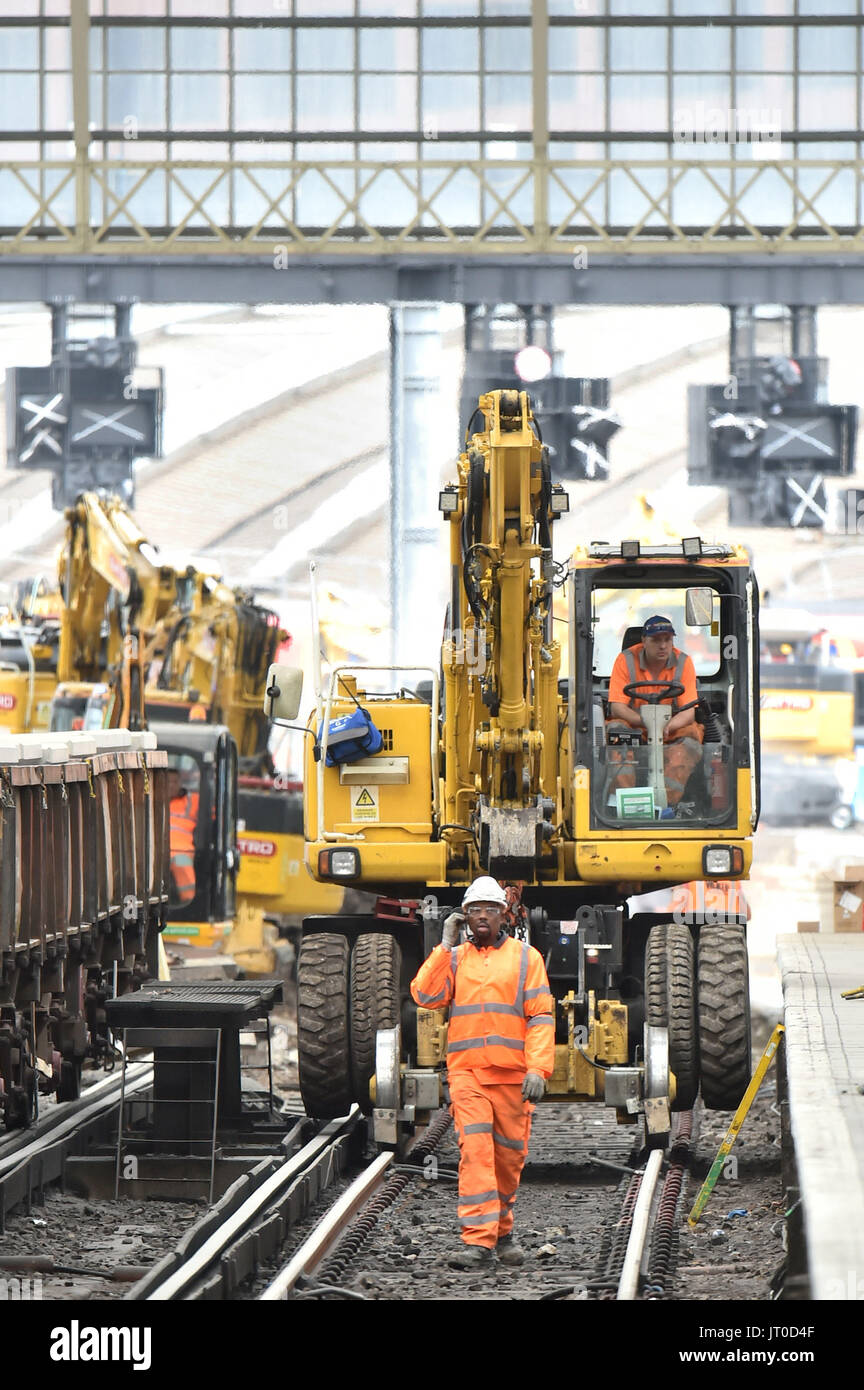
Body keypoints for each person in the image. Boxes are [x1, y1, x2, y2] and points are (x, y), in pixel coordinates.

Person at [410, 876, 554, 1271]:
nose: (481, 917)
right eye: (474, 910)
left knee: (508, 1159)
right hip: (468, 1075)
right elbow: (424, 995)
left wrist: (539, 1068)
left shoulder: (527, 959)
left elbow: (540, 1016)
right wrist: (443, 945)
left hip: (512, 1078)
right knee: (476, 1155)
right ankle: (476, 1242)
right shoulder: (455, 959)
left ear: (504, 914)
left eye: (489, 909)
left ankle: (502, 1233)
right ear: (464, 916)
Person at [607, 614, 704, 809]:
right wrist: (647, 724)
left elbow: (688, 712)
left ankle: (666, 806)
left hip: (669, 729)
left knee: (691, 737)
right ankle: (627, 806)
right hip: (635, 726)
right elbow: (617, 706)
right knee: (615, 734)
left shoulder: (684, 662)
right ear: (644, 641)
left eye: (667, 640)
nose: (663, 646)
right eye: (656, 640)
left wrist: (665, 726)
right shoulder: (625, 660)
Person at [168, 768, 198, 906]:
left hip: (182, 849)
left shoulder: (192, 801)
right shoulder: (152, 800)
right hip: (153, 849)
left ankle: (188, 902)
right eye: (168, 781)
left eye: (175, 781)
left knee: (181, 863)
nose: (172, 785)